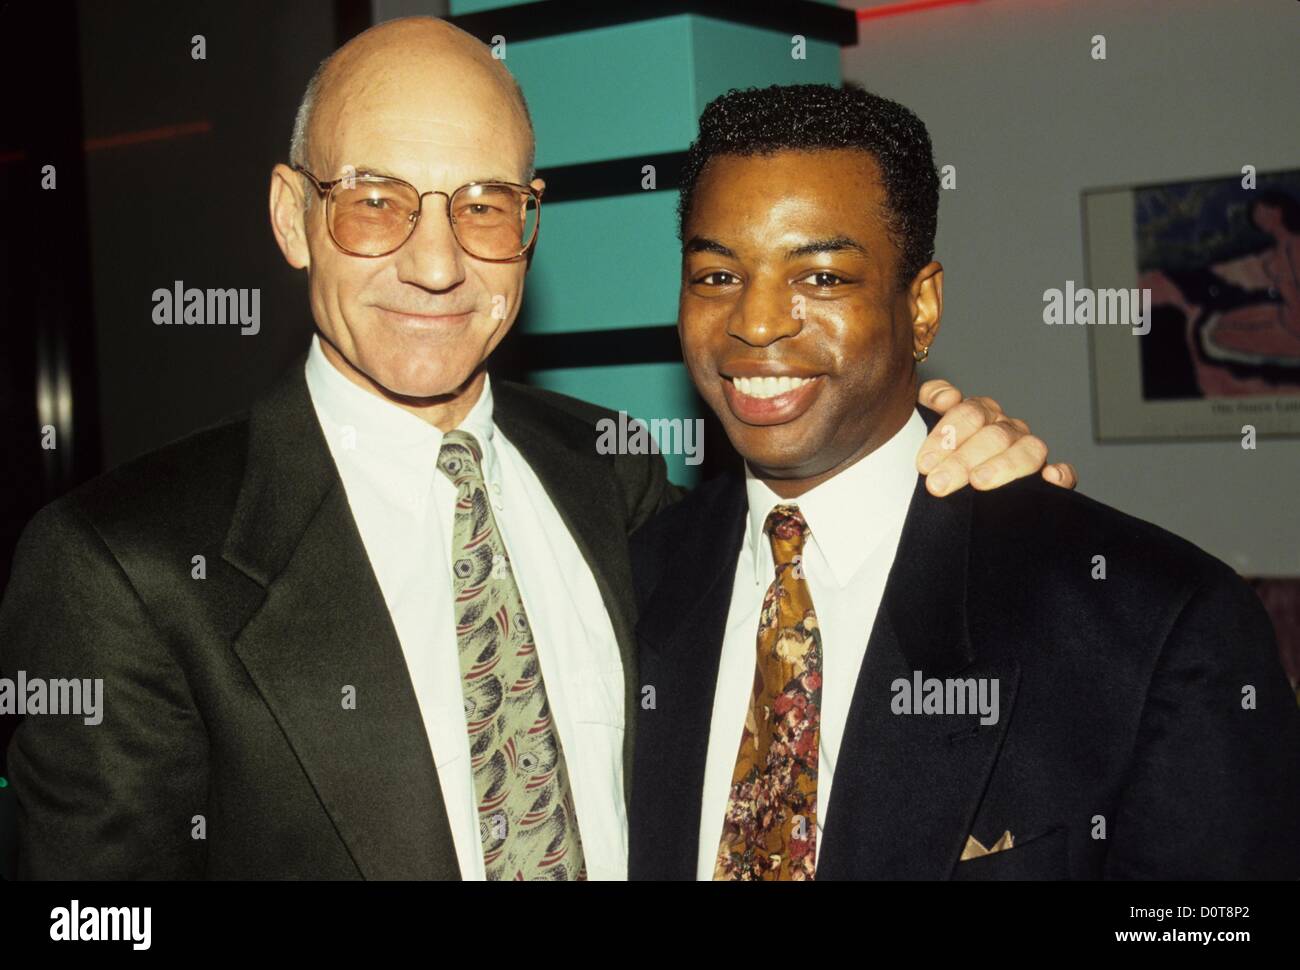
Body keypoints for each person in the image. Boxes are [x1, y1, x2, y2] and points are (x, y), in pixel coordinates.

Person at [0, 20, 1069, 881]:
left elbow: (801, 612)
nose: (435, 262)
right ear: (292, 217)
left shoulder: (612, 471)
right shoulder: (121, 564)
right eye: (374, 202)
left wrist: (950, 472)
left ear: (531, 222)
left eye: (483, 205)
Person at [627, 83, 1300, 881]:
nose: (758, 321)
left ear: (921, 307)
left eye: (822, 278)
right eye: (715, 277)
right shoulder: (633, 582)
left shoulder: (1154, 620)